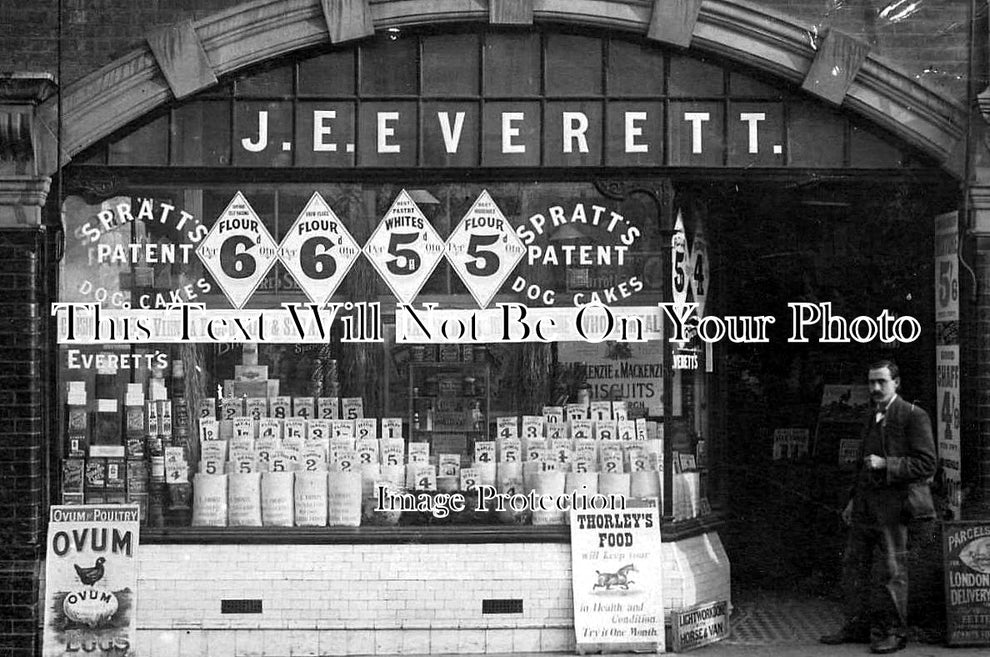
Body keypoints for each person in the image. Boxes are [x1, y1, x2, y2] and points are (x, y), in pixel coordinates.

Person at [820, 360, 936, 654]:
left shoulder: (913, 415)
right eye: (871, 382)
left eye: (881, 382)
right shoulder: (870, 415)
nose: (874, 388)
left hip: (895, 508)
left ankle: (895, 633)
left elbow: (927, 463)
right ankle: (858, 626)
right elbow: (861, 464)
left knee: (892, 571)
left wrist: (888, 464)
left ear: (896, 383)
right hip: (864, 507)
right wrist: (851, 501)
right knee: (854, 566)